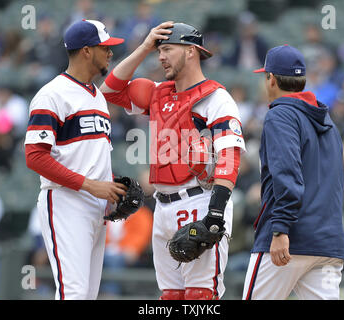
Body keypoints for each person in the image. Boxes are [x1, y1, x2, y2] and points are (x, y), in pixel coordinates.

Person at [100, 21, 246, 300]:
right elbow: (109, 90)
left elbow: (230, 158)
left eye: (167, 49)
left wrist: (214, 215)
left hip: (199, 200)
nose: (160, 56)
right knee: (170, 296)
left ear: (191, 51)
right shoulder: (158, 93)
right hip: (163, 206)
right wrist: (144, 46)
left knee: (200, 296)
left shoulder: (216, 98)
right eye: (158, 50)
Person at [24, 19, 128, 300]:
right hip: (65, 201)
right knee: (74, 293)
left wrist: (111, 185)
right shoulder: (52, 94)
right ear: (86, 51)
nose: (110, 53)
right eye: (104, 47)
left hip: (96, 205)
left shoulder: (97, 97)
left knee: (87, 294)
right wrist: (92, 185)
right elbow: (34, 157)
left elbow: (86, 156)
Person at [242, 45, 344, 300]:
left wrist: (280, 229)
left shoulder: (281, 114)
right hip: (328, 242)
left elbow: (286, 174)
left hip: (289, 239)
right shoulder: (328, 120)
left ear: (272, 79)